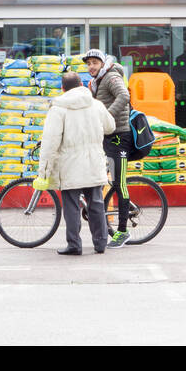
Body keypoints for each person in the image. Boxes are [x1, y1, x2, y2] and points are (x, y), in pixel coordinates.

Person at [37, 72, 116, 255]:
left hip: (70, 164)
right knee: (96, 203)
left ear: (62, 89)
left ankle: (74, 245)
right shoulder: (96, 105)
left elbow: (50, 143)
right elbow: (110, 126)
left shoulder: (58, 108)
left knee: (71, 206)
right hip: (94, 161)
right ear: (82, 84)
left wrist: (44, 171)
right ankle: (101, 243)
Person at [84, 48, 133, 248]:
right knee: (105, 178)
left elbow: (124, 96)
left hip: (120, 137)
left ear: (103, 63)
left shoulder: (111, 77)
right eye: (88, 64)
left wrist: (106, 117)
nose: (91, 67)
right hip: (107, 136)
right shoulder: (97, 82)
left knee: (119, 183)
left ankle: (123, 231)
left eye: (95, 63)